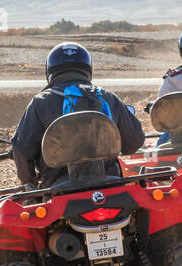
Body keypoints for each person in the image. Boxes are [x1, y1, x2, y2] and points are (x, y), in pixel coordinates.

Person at [11, 42, 144, 186]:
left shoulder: (40, 102)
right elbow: (134, 142)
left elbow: (21, 151)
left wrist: (30, 183)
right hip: (110, 184)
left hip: (58, 190)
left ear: (50, 71)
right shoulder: (108, 97)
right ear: (88, 69)